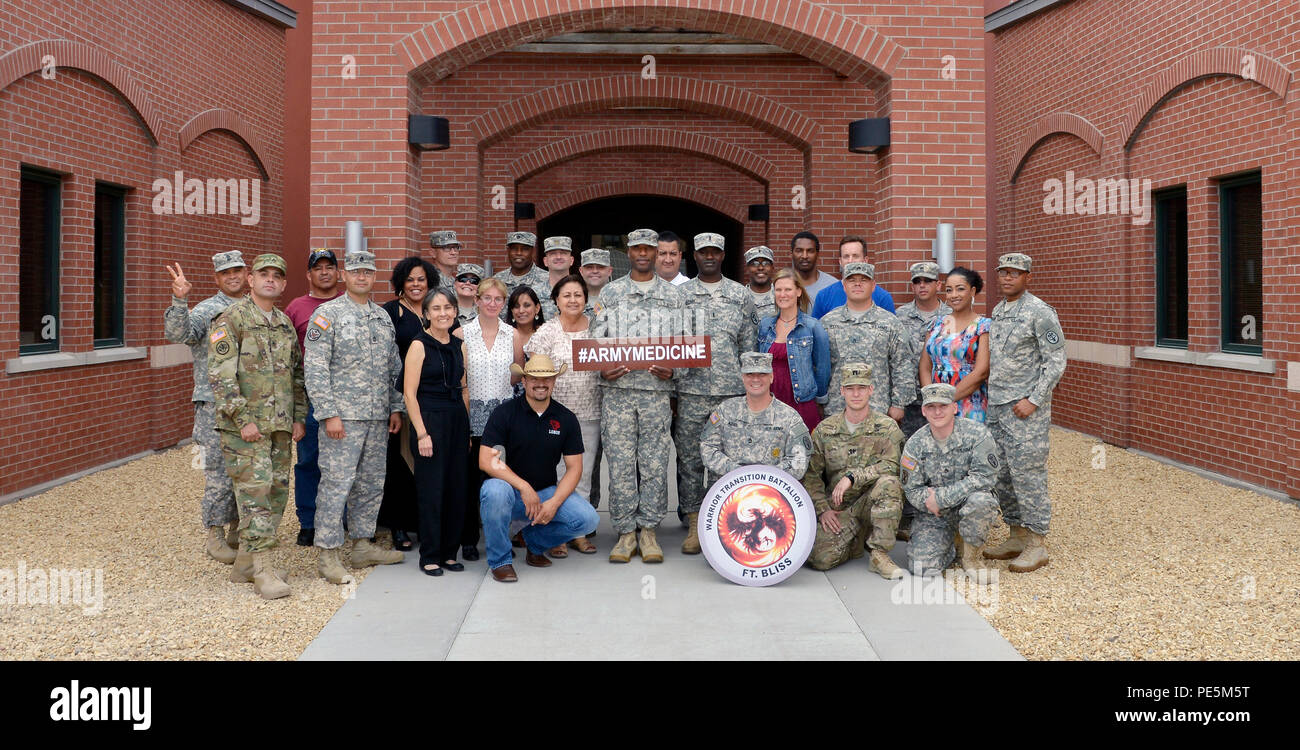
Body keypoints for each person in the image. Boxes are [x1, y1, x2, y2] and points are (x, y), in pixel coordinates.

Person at [304, 249, 406, 584]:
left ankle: (362, 545)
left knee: (370, 484)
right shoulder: (327, 314)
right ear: (344, 276)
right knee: (336, 484)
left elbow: (393, 367)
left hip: (377, 418)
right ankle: (328, 554)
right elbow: (315, 368)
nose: (362, 277)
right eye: (355, 271)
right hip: (342, 419)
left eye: (368, 271)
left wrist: (395, 407)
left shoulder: (381, 317)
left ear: (374, 276)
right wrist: (328, 413)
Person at [207, 253, 306, 599]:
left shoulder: (283, 323)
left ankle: (245, 564)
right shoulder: (231, 319)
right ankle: (262, 570)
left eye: (277, 276)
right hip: (244, 431)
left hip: (279, 428)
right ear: (250, 280)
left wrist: (298, 416)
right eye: (263, 274)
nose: (270, 280)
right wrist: (243, 419)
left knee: (276, 494)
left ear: (282, 283)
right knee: (255, 498)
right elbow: (220, 377)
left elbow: (296, 373)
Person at [590, 228, 685, 564]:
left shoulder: (674, 297)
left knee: (655, 462)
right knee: (620, 463)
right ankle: (625, 531)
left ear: (658, 254)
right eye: (637, 248)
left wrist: (675, 372)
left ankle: (648, 530)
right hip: (618, 394)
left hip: (656, 394)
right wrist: (602, 369)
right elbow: (595, 339)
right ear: (628, 253)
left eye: (650, 249)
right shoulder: (612, 293)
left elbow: (687, 345)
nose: (644, 254)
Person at [478, 355, 600, 583]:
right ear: (524, 381)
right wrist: (523, 487)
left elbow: (575, 468)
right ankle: (501, 561)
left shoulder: (566, 418)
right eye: (534, 378)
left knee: (588, 519)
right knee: (493, 491)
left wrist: (553, 504)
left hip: (545, 493)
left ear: (554, 381)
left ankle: (535, 543)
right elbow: (486, 461)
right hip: (510, 493)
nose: (540, 383)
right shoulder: (504, 413)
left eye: (546, 378)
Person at [674, 233, 759, 554]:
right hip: (691, 391)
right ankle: (696, 522)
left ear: (723, 255)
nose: (709, 256)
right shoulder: (681, 295)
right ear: (694, 256)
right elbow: (673, 345)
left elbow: (748, 347)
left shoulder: (740, 295)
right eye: (703, 252)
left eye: (715, 252)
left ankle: (727, 517)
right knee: (691, 458)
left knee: (731, 458)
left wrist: (750, 393)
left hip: (731, 394)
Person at [983, 253, 1066, 573]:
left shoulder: (1040, 312)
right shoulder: (999, 311)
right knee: (1002, 474)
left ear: (1028, 277)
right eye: (1003, 273)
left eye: (1014, 274)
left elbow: (1056, 363)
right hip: (999, 407)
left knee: (1027, 475)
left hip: (1025, 411)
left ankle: (1036, 543)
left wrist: (1034, 399)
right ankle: (1016, 534)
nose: (1007, 278)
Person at [164, 251, 247, 564]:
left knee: (247, 470)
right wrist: (178, 300)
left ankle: (241, 528)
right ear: (217, 279)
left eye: (237, 270)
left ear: (246, 273)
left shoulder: (256, 308)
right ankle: (215, 534)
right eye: (225, 273)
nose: (232, 276)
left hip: (250, 406)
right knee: (219, 473)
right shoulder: (207, 309)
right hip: (215, 405)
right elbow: (178, 333)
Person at [803, 363, 905, 578]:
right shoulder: (825, 430)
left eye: (861, 387)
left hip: (872, 500)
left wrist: (853, 477)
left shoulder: (886, 427)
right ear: (842, 391)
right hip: (841, 507)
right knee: (820, 559)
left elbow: (893, 466)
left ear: (871, 390)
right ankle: (857, 538)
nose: (856, 394)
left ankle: (879, 554)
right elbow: (812, 475)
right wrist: (823, 510)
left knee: (889, 484)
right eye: (850, 388)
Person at [524, 274, 601, 556]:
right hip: (554, 415)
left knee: (583, 475)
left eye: (578, 295)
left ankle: (577, 532)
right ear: (556, 300)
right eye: (566, 295)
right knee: (554, 476)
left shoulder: (596, 328)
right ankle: (555, 534)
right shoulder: (546, 332)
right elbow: (534, 370)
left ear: (585, 299)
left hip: (590, 411)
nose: (572, 300)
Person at [903, 383, 1000, 583]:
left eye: (943, 406)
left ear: (954, 408)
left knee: (981, 501)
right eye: (931, 407)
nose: (937, 412)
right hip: (934, 514)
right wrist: (932, 504)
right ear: (923, 411)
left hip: (967, 505)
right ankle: (953, 543)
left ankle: (971, 557)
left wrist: (940, 498)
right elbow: (911, 490)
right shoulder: (915, 444)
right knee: (922, 568)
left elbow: (985, 477)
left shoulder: (977, 434)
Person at [404, 289, 471, 576]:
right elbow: (409, 393)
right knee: (432, 490)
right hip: (429, 421)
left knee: (457, 489)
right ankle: (430, 554)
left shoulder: (459, 344)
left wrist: (466, 430)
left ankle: (449, 553)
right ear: (426, 314)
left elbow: (464, 387)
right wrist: (421, 433)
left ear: (455, 311)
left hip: (456, 420)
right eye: (436, 308)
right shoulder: (419, 345)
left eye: (448, 307)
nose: (443, 313)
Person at [461, 277, 525, 560]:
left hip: (501, 421)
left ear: (504, 303)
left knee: (499, 481)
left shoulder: (513, 335)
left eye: (498, 299)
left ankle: (502, 537)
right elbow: (458, 381)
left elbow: (518, 377)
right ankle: (468, 539)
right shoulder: (462, 334)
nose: (492, 303)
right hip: (471, 417)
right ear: (477, 300)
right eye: (487, 298)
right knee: (469, 482)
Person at [378, 256, 440, 551]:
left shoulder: (435, 311)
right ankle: (398, 525)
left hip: (431, 399)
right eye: (410, 279)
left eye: (421, 279)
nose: (416, 285)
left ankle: (420, 520)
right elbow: (386, 359)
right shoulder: (389, 313)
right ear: (401, 283)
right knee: (399, 461)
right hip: (400, 400)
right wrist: (394, 404)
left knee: (423, 461)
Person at [284, 249, 344, 547]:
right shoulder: (296, 308)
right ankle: (308, 521)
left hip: (347, 397)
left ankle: (340, 520)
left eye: (329, 267)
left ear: (338, 273)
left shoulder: (351, 305)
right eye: (317, 268)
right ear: (308, 275)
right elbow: (289, 361)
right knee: (310, 460)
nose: (324, 272)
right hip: (310, 398)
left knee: (345, 463)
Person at [893, 260, 950, 542]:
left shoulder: (953, 315)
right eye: (917, 281)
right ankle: (906, 514)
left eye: (928, 281)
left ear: (938, 284)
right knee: (908, 457)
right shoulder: (899, 317)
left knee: (940, 456)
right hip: (910, 400)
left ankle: (940, 514)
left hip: (943, 402)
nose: (922, 286)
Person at [820, 262, 914, 419]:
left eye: (864, 279)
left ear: (873, 285)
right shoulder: (827, 323)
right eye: (852, 280)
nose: (857, 283)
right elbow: (819, 367)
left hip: (878, 411)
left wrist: (899, 404)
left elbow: (903, 364)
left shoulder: (890, 323)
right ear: (843, 285)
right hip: (837, 410)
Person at [699, 352, 812, 479]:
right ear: (742, 377)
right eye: (749, 374)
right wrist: (737, 473)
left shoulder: (790, 417)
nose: (756, 379)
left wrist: (764, 477)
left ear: (771, 377)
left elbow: (800, 459)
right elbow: (707, 447)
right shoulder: (725, 411)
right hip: (730, 488)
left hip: (772, 492)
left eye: (762, 374)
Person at [757, 269, 830, 433]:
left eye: (788, 289)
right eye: (778, 289)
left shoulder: (812, 326)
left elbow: (823, 368)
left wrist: (820, 400)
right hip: (769, 401)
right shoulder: (765, 325)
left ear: (798, 291)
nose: (783, 294)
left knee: (802, 453)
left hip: (801, 402)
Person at [920, 266, 990, 422]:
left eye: (960, 289)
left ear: (972, 291)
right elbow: (925, 365)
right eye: (949, 290)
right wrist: (932, 398)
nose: (954, 295)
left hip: (970, 405)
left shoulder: (983, 326)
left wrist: (946, 399)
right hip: (936, 408)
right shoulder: (935, 324)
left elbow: (982, 371)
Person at [811, 235, 896, 318]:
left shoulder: (883, 297)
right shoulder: (824, 296)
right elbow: (816, 331)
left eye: (855, 256)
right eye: (846, 256)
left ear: (865, 260)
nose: (850, 261)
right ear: (840, 261)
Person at [492, 231, 555, 320]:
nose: (519, 253)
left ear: (533, 251)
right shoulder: (497, 280)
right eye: (514, 249)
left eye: (525, 249)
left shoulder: (547, 279)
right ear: (508, 251)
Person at [790, 231, 836, 302]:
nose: (804, 256)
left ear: (818, 254)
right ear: (791, 254)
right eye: (799, 251)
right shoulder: (780, 286)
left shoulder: (832, 286)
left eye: (810, 251)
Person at [506, 285, 543, 359]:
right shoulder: (504, 335)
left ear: (537, 308)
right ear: (511, 310)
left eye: (527, 305)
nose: (521, 311)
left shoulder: (547, 335)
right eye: (516, 306)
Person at [744, 245, 777, 321]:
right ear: (747, 269)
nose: (761, 267)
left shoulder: (782, 297)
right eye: (755, 263)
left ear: (772, 268)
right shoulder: (738, 297)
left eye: (766, 263)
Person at [579, 248, 614, 317]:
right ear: (581, 271)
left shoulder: (620, 298)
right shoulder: (572, 300)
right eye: (589, 267)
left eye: (601, 267)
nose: (595, 271)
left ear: (610, 271)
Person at [428, 230, 461, 302]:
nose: (453, 252)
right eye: (446, 248)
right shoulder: (429, 281)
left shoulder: (456, 282)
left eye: (456, 247)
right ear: (433, 253)